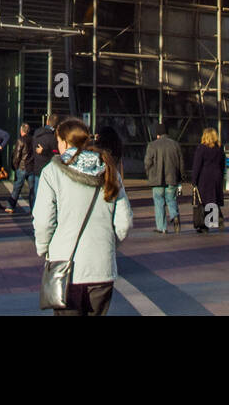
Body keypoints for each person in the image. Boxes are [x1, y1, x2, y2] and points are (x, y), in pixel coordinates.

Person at [33, 117, 133, 317]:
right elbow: (125, 221)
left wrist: (45, 249)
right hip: (101, 268)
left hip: (65, 266)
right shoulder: (109, 169)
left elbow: (44, 221)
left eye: (59, 141)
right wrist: (108, 243)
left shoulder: (52, 172)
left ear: (66, 142)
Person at [144, 122, 183, 234]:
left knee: (159, 202)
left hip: (157, 179)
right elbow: (181, 163)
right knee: (171, 199)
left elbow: (147, 162)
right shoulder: (175, 144)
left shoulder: (152, 145)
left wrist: (149, 174)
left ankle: (162, 228)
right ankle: (174, 216)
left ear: (157, 134)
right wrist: (180, 176)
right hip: (172, 178)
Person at [191, 128, 226, 233]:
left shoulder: (202, 148)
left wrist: (194, 180)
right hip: (216, 176)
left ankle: (204, 225)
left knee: (204, 201)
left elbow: (197, 165)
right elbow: (222, 163)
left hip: (204, 177)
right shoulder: (219, 148)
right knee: (213, 199)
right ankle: (216, 221)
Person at [29, 113, 59, 211]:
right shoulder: (52, 138)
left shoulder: (36, 134)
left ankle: (34, 210)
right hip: (47, 167)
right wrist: (46, 152)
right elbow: (56, 153)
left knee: (35, 191)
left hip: (37, 166)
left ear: (47, 121)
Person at [7, 123, 34, 213]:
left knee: (17, 188)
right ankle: (33, 208)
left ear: (21, 131)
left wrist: (15, 166)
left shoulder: (21, 140)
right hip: (31, 167)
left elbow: (17, 155)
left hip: (22, 167)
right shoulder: (34, 140)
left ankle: (10, 206)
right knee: (32, 190)